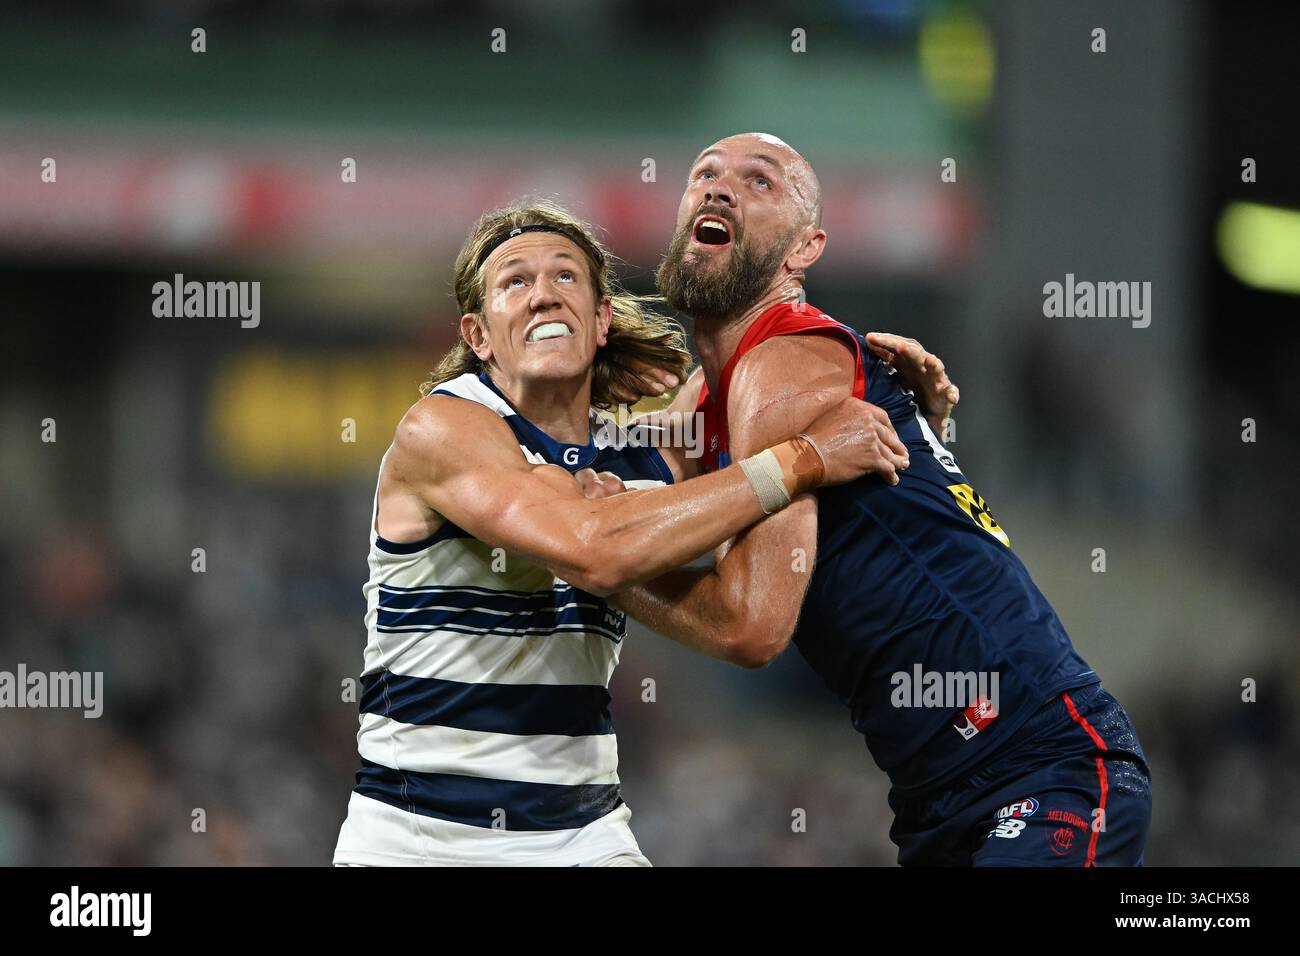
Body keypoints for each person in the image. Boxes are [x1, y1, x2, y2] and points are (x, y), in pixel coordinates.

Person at [610, 133, 1152, 866]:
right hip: (937, 804)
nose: (718, 187)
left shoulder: (785, 361)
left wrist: (596, 563)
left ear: (805, 249)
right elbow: (614, 513)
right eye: (703, 173)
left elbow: (748, 625)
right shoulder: (703, 399)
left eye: (759, 181)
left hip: (1043, 765)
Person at [332, 199, 914, 866]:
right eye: (515, 281)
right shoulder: (441, 430)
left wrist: (874, 369)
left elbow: (745, 623)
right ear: (478, 335)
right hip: (422, 840)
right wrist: (805, 458)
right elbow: (595, 550)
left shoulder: (640, 460)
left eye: (566, 277)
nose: (543, 294)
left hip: (583, 833)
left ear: (601, 318)